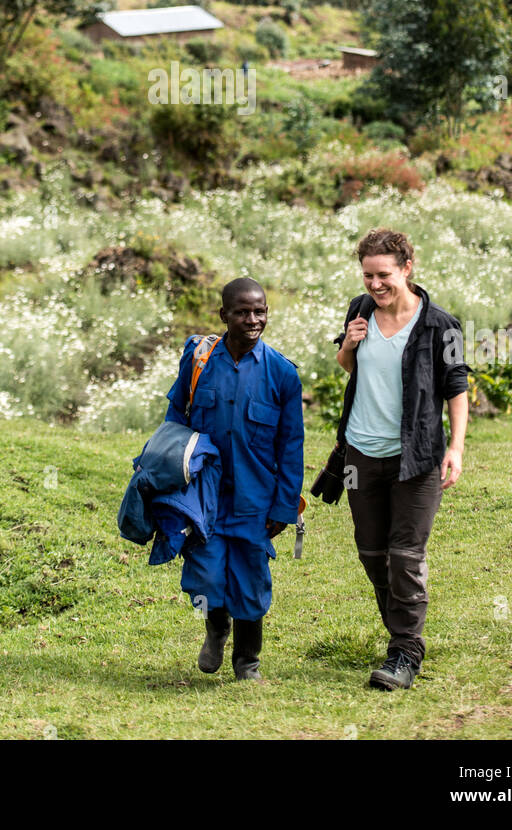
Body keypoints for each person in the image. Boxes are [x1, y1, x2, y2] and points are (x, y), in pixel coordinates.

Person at [334, 227, 468, 690]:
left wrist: (456, 447)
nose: (375, 285)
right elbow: (348, 368)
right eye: (368, 275)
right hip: (359, 454)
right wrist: (349, 344)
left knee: (405, 555)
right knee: (372, 553)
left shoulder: (441, 325)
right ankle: (399, 636)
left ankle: (405, 653)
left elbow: (457, 386)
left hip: (417, 458)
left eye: (384, 275)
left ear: (407, 268)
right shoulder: (359, 309)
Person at [165, 277, 304, 680]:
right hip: (204, 498)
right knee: (205, 575)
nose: (252, 319)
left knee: (250, 580)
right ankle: (215, 628)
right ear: (223, 314)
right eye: (242, 312)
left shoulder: (282, 374)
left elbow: (291, 446)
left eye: (259, 311)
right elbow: (175, 421)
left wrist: (283, 506)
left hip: (255, 500)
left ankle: (248, 662)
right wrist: (167, 477)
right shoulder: (200, 363)